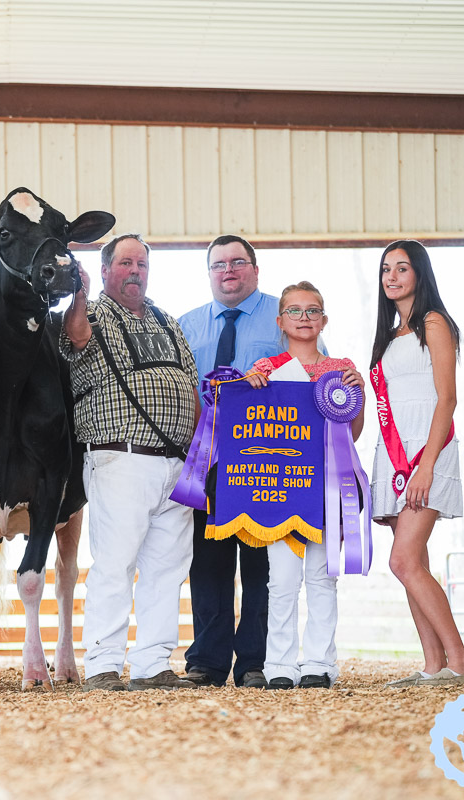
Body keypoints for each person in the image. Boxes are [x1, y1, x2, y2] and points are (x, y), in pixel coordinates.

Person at [59, 234, 199, 692]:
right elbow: (75, 336)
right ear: (105, 271)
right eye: (125, 263)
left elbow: (190, 383)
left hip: (177, 463)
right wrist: (78, 293)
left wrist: (199, 453)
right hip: (122, 456)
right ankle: (102, 664)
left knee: (167, 568)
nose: (135, 270)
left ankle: (152, 664)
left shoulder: (167, 320)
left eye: (141, 263)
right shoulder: (90, 314)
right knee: (115, 563)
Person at [243, 281, 364, 689]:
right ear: (280, 321)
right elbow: (247, 430)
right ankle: (279, 664)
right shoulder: (264, 370)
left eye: (313, 310)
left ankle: (318, 663)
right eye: (294, 311)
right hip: (281, 487)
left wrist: (356, 393)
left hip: (326, 487)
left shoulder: (340, 369)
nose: (304, 318)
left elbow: (353, 433)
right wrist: (249, 390)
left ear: (324, 319)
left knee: (321, 577)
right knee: (281, 579)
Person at [178, 234, 282, 689]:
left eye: (238, 262)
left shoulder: (284, 317)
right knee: (208, 564)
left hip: (265, 462)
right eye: (218, 264)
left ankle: (256, 662)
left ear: (255, 270)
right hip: (206, 463)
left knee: (261, 566)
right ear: (209, 273)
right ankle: (207, 662)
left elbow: (306, 374)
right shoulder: (185, 326)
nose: (228, 271)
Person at [370, 240, 464, 687]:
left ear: (420, 274)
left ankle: (460, 663)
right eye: (385, 269)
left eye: (402, 268)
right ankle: (433, 666)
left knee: (403, 560)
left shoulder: (434, 323)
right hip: (393, 454)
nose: (392, 277)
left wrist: (427, 464)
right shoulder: (390, 336)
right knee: (415, 562)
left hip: (426, 451)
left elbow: (446, 398)